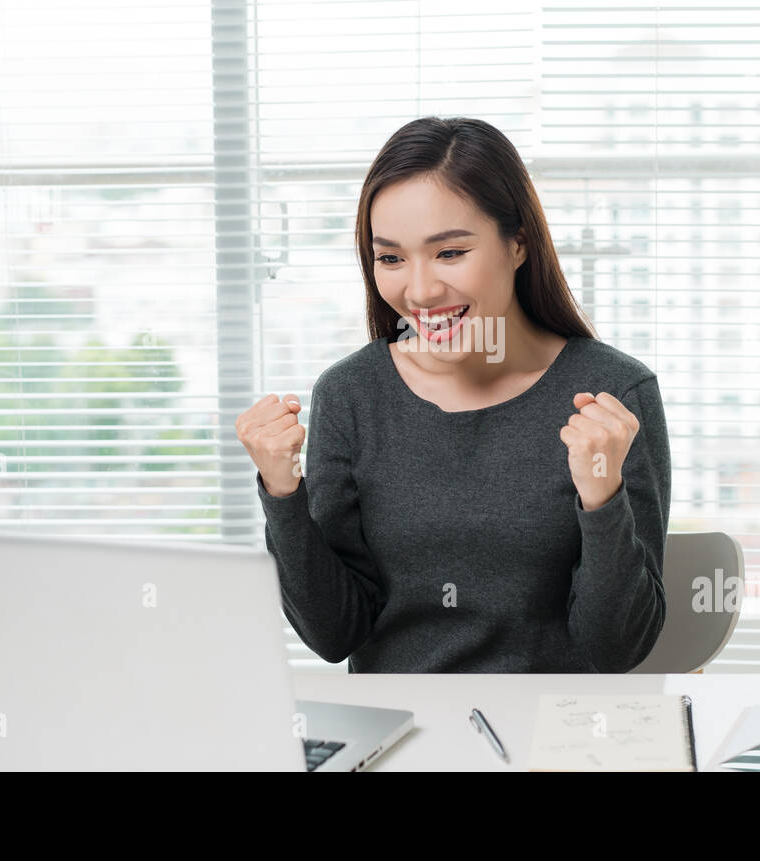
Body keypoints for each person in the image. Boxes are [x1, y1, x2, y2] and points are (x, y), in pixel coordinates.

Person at [236, 116, 670, 673]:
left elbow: (616, 651)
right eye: (391, 258)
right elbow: (333, 634)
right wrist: (282, 491)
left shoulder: (614, 396)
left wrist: (602, 499)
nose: (418, 291)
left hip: (553, 735)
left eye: (449, 253)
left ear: (518, 243)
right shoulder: (351, 395)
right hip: (399, 736)